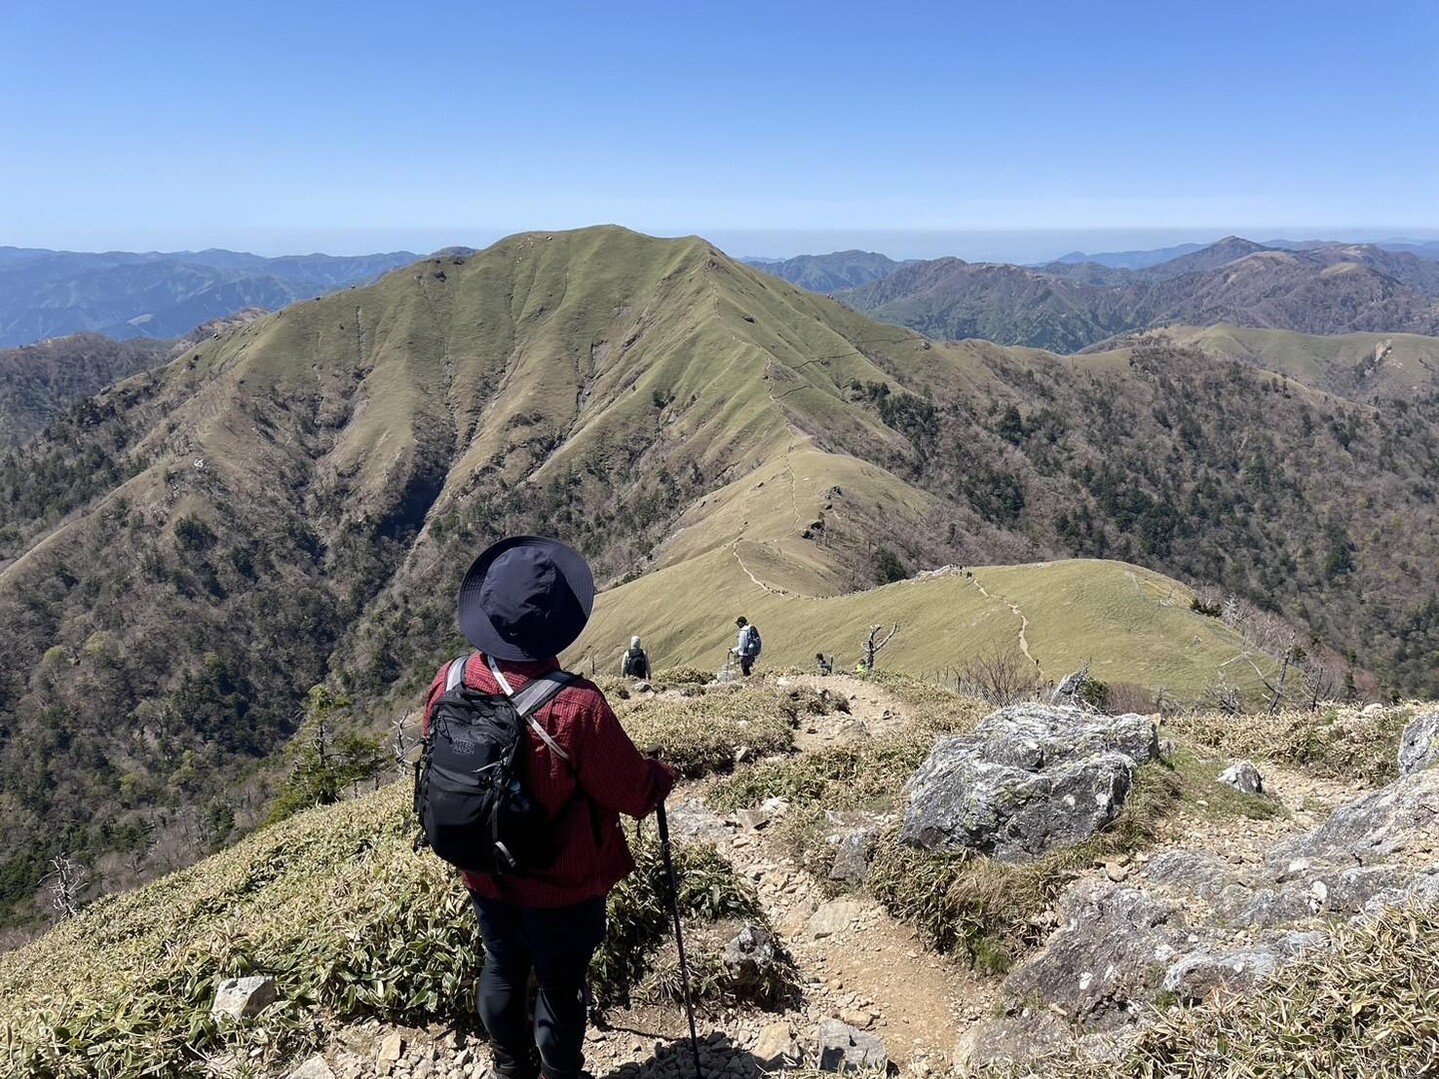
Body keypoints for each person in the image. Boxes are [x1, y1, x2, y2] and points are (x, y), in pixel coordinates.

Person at [423, 536, 675, 1079]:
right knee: (561, 985)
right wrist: (660, 777)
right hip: (561, 882)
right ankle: (560, 1074)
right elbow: (631, 792)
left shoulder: (450, 680)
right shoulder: (576, 705)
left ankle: (512, 1068)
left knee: (502, 965)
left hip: (483, 866)